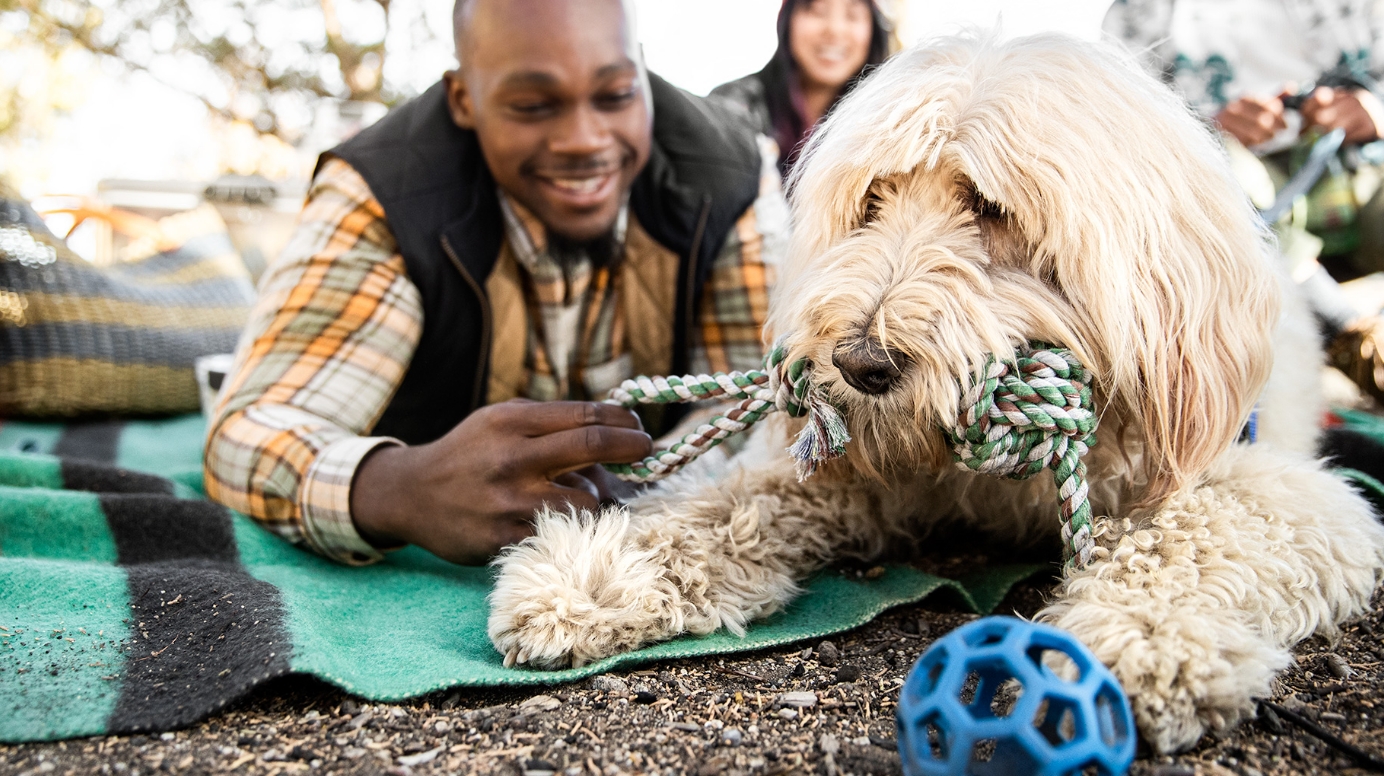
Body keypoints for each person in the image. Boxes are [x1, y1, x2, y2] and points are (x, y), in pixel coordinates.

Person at [203, 0, 788, 567]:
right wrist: (398, 488)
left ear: (639, 65)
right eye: (533, 105)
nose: (585, 139)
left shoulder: (729, 172)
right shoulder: (385, 193)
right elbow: (250, 431)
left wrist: (655, 481)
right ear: (463, 97)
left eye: (615, 95)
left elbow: (761, 400)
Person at [1106, 0, 1384, 404]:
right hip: (1240, 198)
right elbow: (1122, 132)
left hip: (1360, 171)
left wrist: (1372, 110)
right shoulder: (1144, 12)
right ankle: (1354, 340)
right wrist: (1206, 127)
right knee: (1221, 176)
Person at [710, 0, 891, 177]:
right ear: (787, 19)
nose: (835, 30)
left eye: (852, 15)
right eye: (817, 10)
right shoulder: (736, 106)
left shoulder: (888, 125)